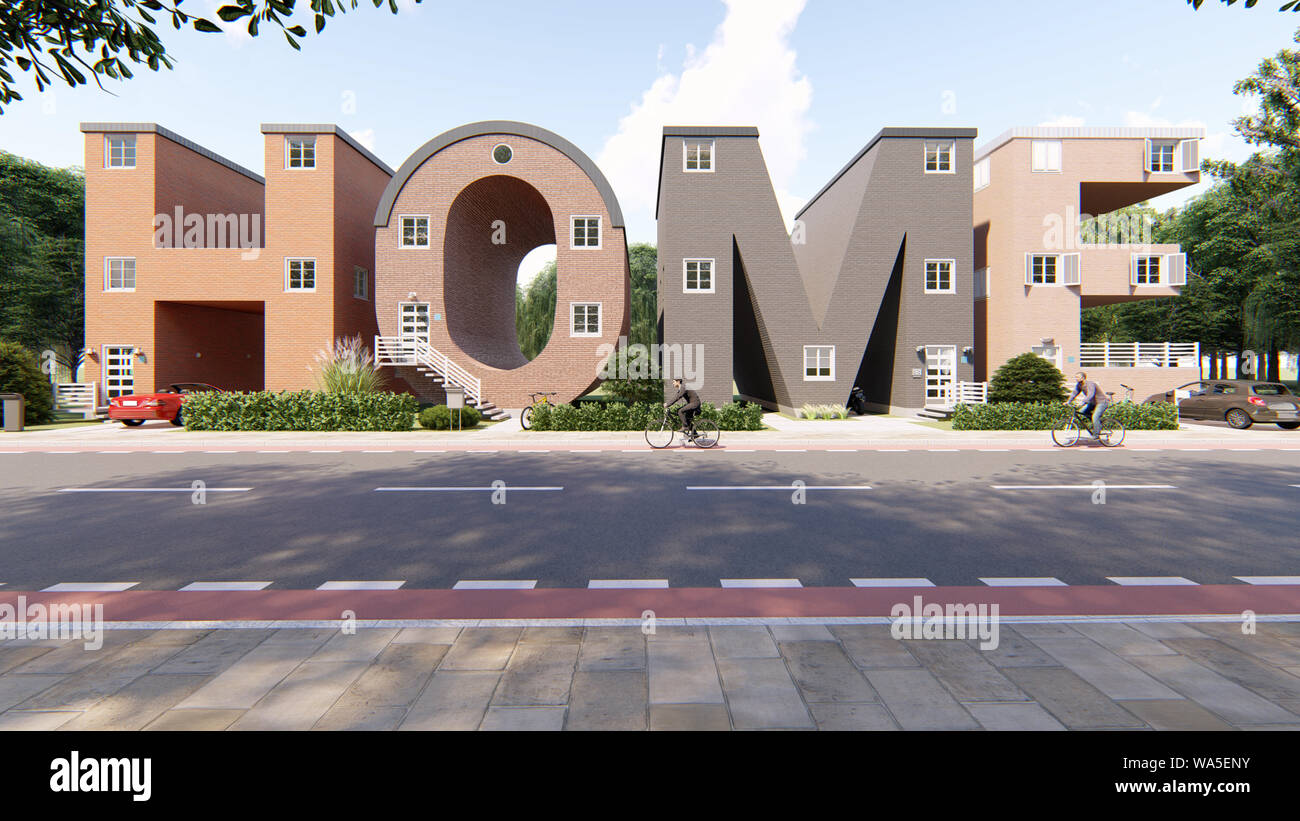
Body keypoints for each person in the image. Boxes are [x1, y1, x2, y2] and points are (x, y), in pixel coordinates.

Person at [1067, 371, 1108, 438]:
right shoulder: (1079, 385)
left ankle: (1096, 434)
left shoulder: (1090, 384)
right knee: (1081, 412)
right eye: (1075, 377)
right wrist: (1068, 401)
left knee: (1095, 417)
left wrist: (1083, 402)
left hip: (1101, 402)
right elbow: (1074, 393)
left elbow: (1090, 394)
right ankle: (1097, 424)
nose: (1076, 378)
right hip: (1093, 403)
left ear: (1083, 378)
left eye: (1077, 377)